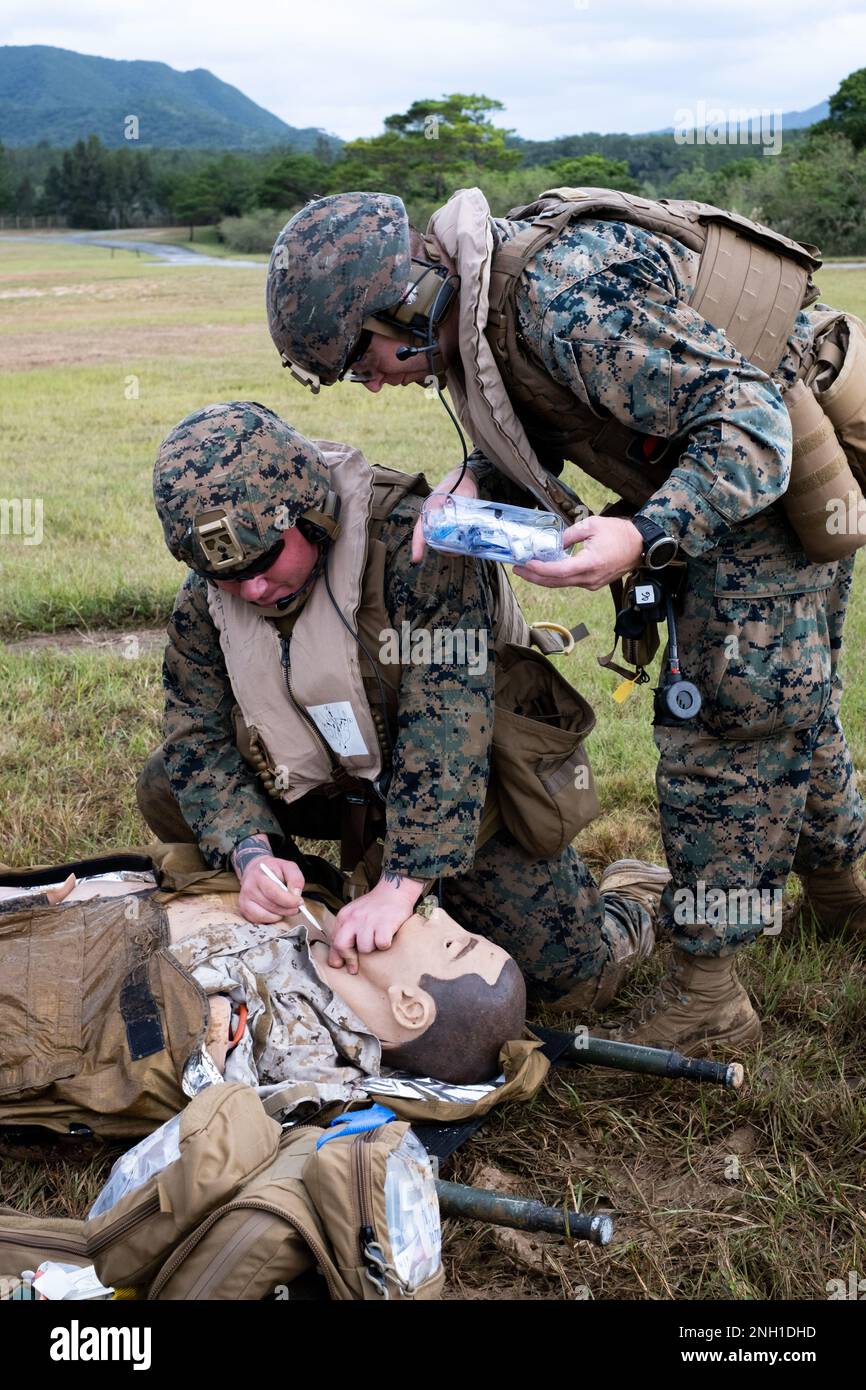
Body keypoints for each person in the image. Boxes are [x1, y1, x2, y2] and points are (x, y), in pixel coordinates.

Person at [265, 187, 866, 1053]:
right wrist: (480, 481)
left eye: (362, 360)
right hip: (721, 473)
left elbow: (750, 427)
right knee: (790, 698)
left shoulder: (564, 299)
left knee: (733, 726)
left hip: (757, 482)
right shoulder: (484, 302)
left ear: (403, 302)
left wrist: (640, 534)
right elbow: (546, 405)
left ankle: (710, 994)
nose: (370, 382)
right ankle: (844, 892)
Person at [137, 400, 665, 1017]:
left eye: (263, 562)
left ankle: (635, 894)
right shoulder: (210, 594)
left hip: (464, 779)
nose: (251, 589)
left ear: (311, 514)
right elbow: (194, 735)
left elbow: (450, 723)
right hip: (334, 778)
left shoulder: (416, 546)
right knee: (167, 787)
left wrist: (401, 884)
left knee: (573, 985)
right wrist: (253, 854)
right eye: (224, 575)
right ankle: (318, 898)